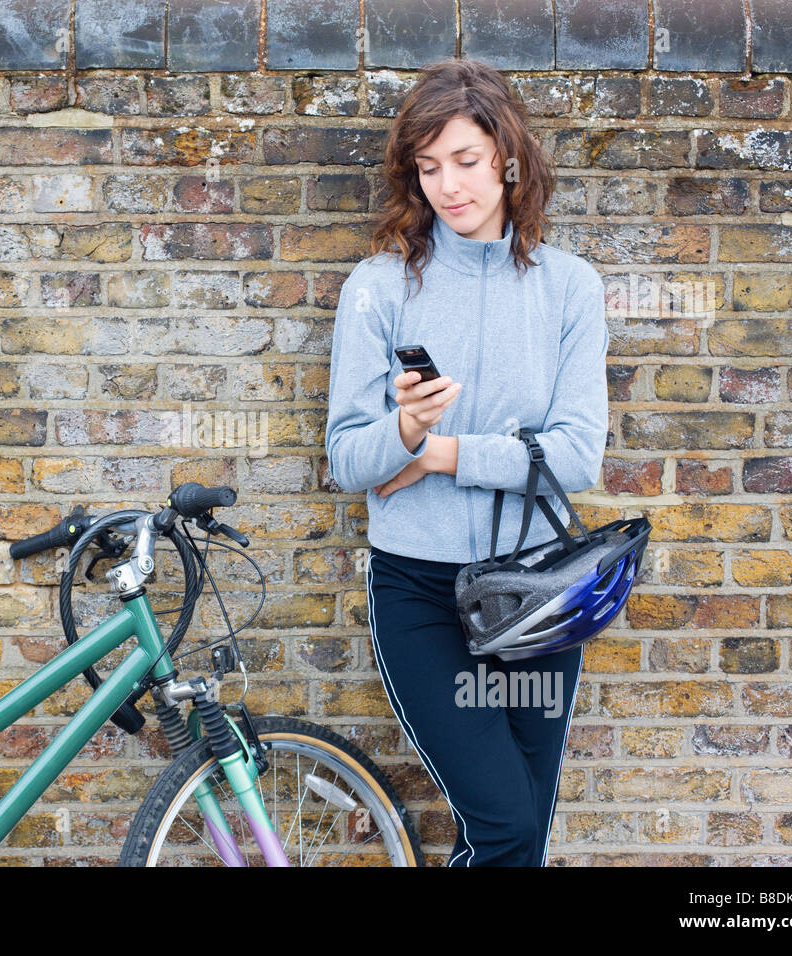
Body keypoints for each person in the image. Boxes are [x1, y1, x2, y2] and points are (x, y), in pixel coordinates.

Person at [324, 59, 611, 867]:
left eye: (466, 161)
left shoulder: (569, 288)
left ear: (508, 160)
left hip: (538, 597)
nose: (448, 185)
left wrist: (440, 451)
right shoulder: (380, 288)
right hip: (421, 592)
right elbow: (350, 458)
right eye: (428, 166)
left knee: (518, 835)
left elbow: (578, 454)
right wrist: (403, 433)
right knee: (506, 828)